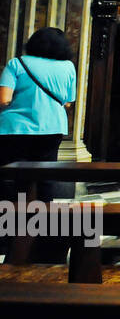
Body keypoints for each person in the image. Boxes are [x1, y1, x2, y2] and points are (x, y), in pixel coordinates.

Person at [0, 28, 78, 201]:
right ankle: (42, 222)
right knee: (45, 176)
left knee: (11, 178)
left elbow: (4, 99)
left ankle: (10, 222)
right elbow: (68, 102)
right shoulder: (68, 67)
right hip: (52, 127)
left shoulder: (17, 63)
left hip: (15, 128)